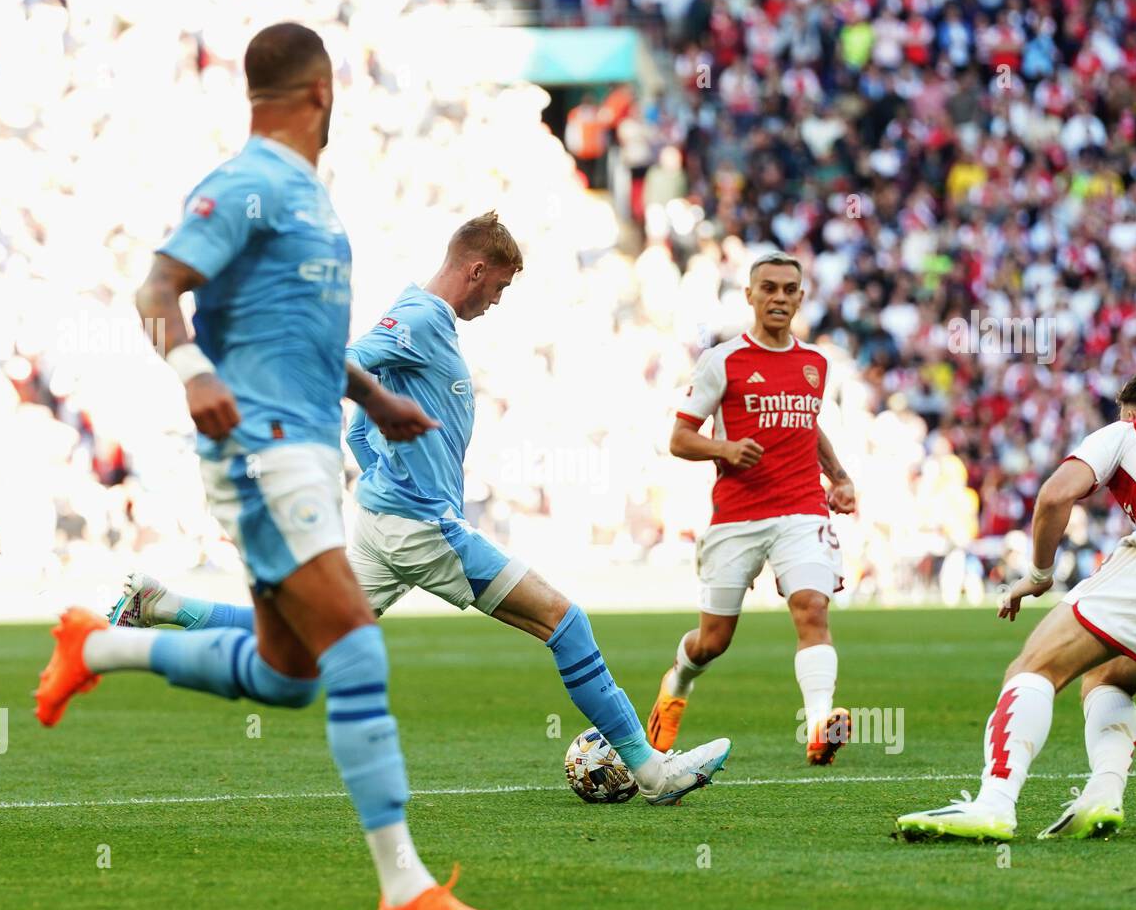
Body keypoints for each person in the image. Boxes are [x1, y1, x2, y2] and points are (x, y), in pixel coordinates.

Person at [33, 23, 498, 910]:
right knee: (357, 642)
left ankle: (98, 645)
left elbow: (311, 338)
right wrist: (194, 373)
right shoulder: (250, 182)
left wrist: (373, 396)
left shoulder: (310, 199)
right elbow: (156, 290)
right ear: (320, 92)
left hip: (310, 444)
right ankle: (404, 887)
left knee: (289, 675)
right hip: (262, 447)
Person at [109, 211, 733, 807]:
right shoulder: (423, 317)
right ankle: (651, 771)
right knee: (564, 624)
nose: (497, 299)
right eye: (501, 285)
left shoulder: (426, 322)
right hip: (420, 526)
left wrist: (373, 445)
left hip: (387, 521)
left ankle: (160, 604)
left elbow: (357, 418)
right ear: (475, 269)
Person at [897, 365, 1136, 841]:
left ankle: (994, 804)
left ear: (1132, 410)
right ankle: (1103, 794)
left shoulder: (1127, 430)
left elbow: (1055, 495)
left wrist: (1038, 575)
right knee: (1107, 678)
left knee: (1034, 668)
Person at [648, 251, 857, 766]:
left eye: (789, 289)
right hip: (737, 517)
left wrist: (840, 477)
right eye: (769, 288)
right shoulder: (723, 361)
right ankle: (676, 683)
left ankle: (817, 724)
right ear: (750, 295)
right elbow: (679, 438)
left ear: (801, 297)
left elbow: (809, 426)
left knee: (812, 607)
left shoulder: (815, 362)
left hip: (802, 510)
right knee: (713, 642)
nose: (779, 297)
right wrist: (724, 449)